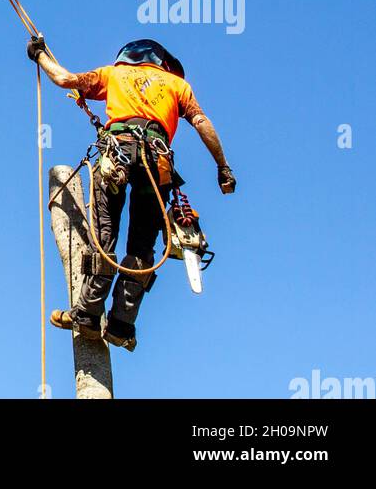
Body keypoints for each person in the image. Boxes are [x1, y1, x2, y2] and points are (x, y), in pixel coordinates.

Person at [27, 35, 236, 350]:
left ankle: (86, 314)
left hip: (117, 156)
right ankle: (121, 326)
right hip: (158, 162)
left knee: (104, 236)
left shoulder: (114, 74)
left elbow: (64, 78)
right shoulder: (177, 85)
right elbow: (201, 122)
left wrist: (39, 54)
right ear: (162, 62)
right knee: (141, 248)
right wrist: (223, 168)